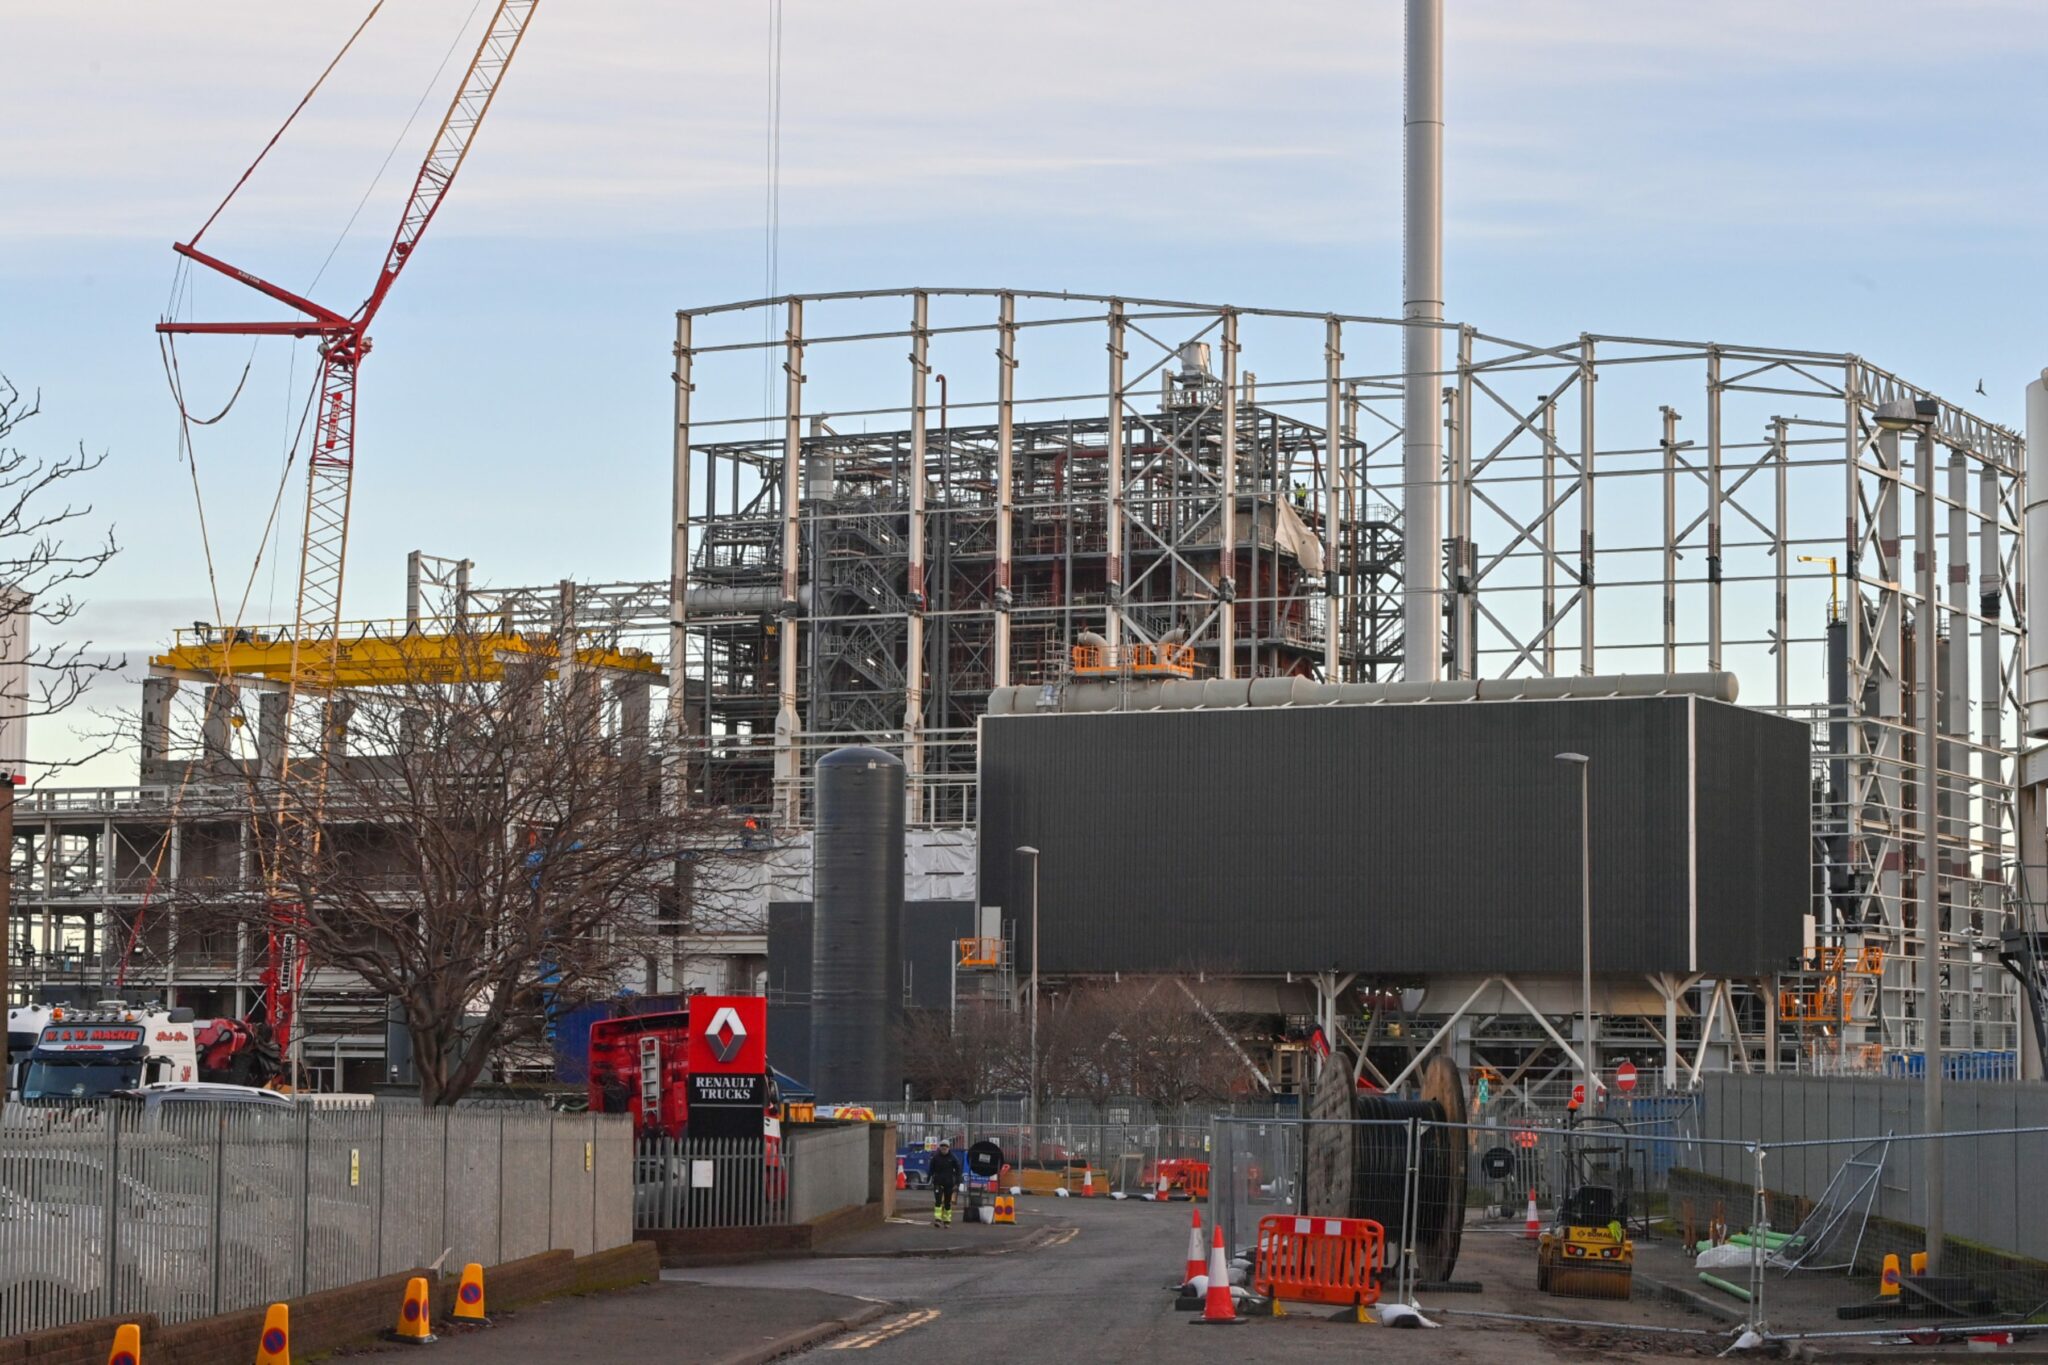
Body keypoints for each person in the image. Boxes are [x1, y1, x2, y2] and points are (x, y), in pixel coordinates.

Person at [927, 1139, 963, 1227]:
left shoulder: (953, 1158)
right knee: (938, 1200)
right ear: (940, 1148)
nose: (944, 1148)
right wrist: (929, 1177)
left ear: (948, 1148)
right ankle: (938, 1219)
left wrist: (957, 1182)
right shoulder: (936, 1157)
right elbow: (931, 1169)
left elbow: (958, 1170)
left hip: (949, 1183)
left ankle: (947, 1221)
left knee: (947, 1202)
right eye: (942, 1146)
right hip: (938, 1182)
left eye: (945, 1146)